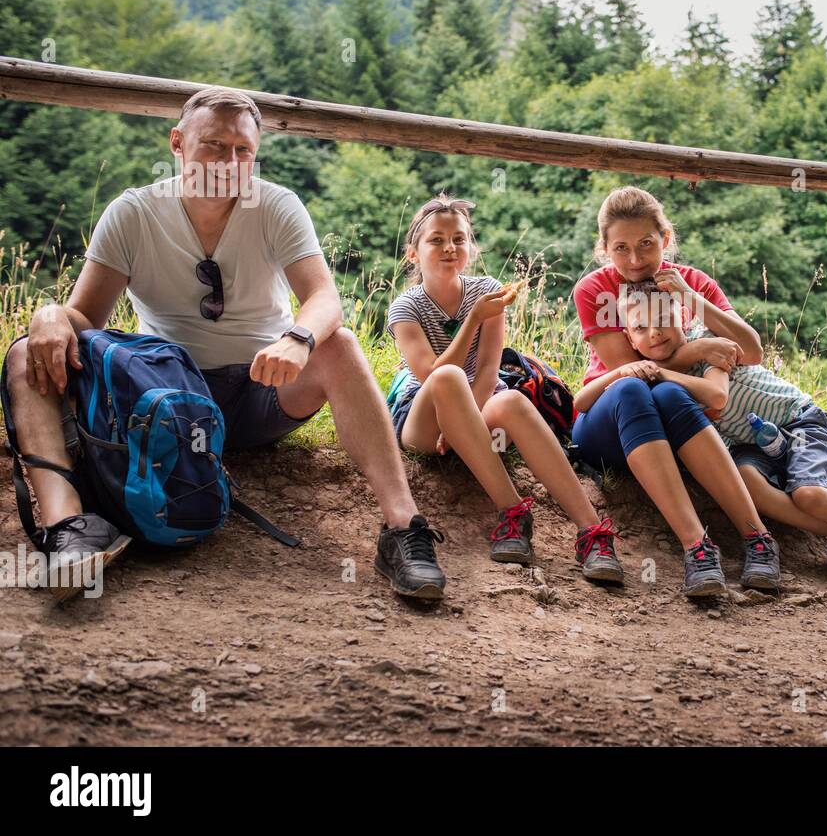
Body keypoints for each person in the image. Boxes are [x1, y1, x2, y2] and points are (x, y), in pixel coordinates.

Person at [4, 86, 446, 602]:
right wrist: (51, 314)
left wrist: (299, 338)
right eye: (213, 145)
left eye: (243, 151)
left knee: (340, 344)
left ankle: (403, 530)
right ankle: (69, 531)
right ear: (177, 142)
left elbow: (324, 298)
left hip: (263, 390)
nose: (228, 162)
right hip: (162, 402)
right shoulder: (134, 213)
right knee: (24, 351)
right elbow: (87, 320)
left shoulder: (278, 206)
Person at [612, 279, 827, 600]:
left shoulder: (708, 341)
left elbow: (717, 397)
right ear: (629, 337)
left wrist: (662, 372)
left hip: (796, 422)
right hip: (752, 446)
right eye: (641, 327)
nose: (655, 332)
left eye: (663, 319)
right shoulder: (652, 380)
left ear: (682, 317)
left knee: (809, 494)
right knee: (749, 484)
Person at [386, 196, 625, 584]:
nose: (450, 248)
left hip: (480, 408)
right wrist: (473, 320)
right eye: (437, 240)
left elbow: (486, 370)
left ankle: (592, 532)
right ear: (413, 253)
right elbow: (431, 373)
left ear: (470, 247)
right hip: (425, 418)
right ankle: (513, 510)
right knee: (448, 379)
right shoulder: (405, 308)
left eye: (459, 239)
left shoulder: (488, 290)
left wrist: (466, 425)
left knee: (512, 397)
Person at [571, 185, 781, 597]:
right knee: (638, 389)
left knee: (669, 395)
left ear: (666, 239)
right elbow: (631, 370)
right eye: (621, 248)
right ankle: (696, 546)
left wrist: (690, 298)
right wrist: (699, 348)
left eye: (646, 245)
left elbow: (751, 351)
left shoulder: (694, 283)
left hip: (673, 415)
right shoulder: (595, 289)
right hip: (609, 417)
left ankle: (758, 539)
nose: (634, 260)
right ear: (604, 249)